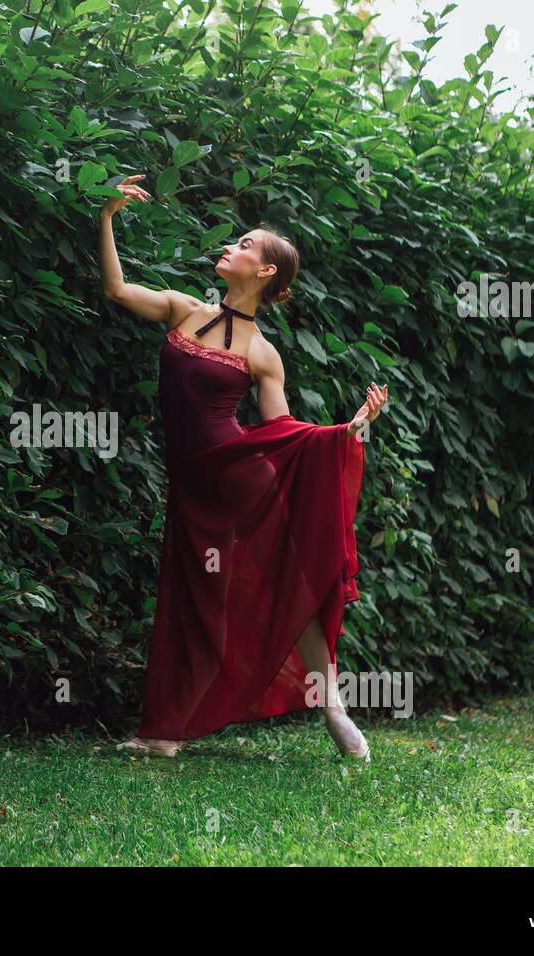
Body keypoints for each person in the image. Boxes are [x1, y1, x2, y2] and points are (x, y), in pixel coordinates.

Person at [98, 174, 389, 759]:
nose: (232, 245)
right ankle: (165, 735)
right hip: (192, 483)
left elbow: (280, 433)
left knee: (292, 577)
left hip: (236, 477)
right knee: (192, 597)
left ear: (264, 274)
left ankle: (331, 704)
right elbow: (117, 290)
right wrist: (105, 217)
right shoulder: (182, 309)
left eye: (247, 245)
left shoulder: (263, 353)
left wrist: (347, 431)